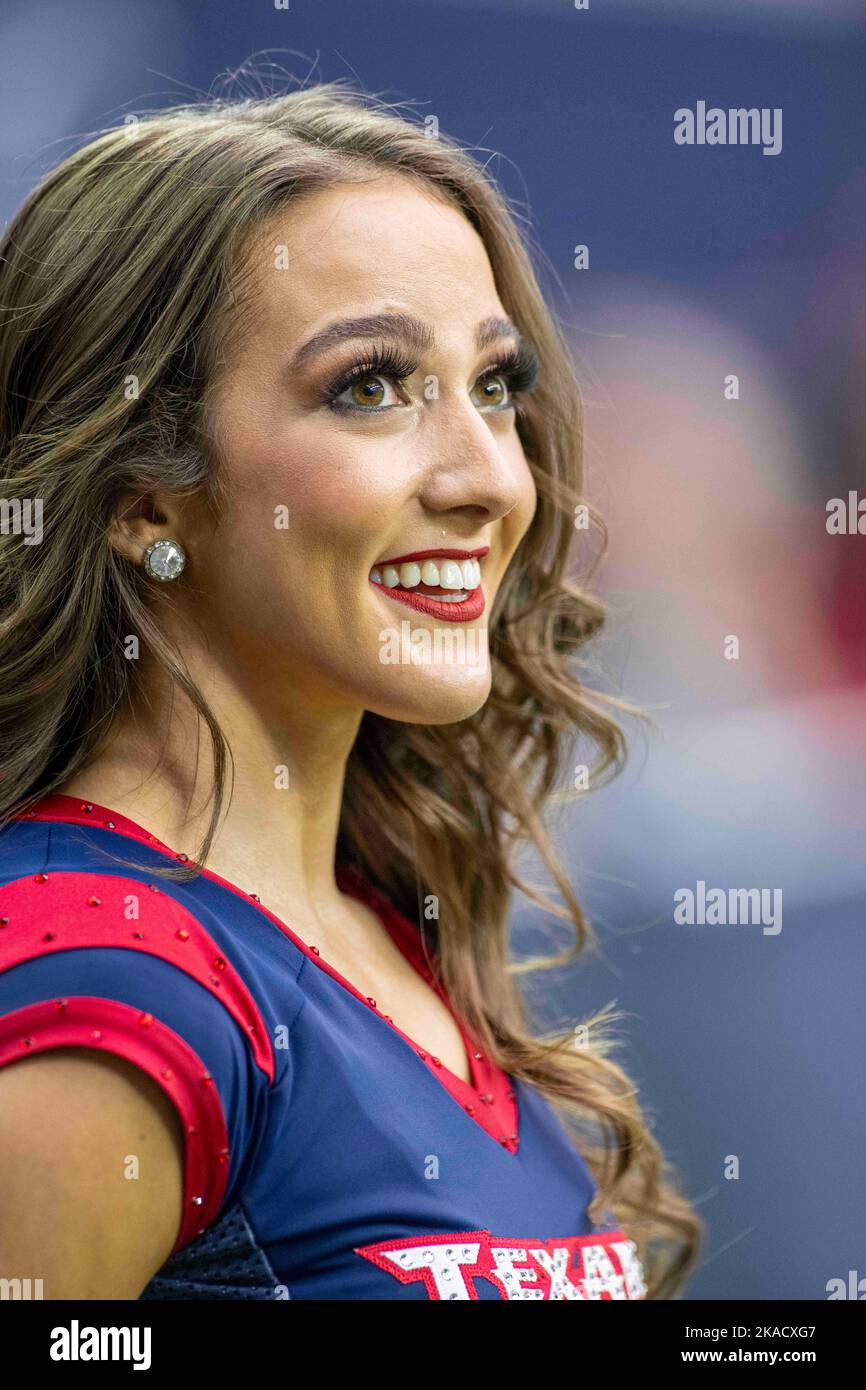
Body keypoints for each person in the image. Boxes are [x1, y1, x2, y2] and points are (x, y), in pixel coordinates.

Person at [0, 80, 701, 1300]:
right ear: (139, 496)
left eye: (494, 385)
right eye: (369, 386)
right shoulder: (99, 977)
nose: (490, 479)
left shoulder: (385, 924)